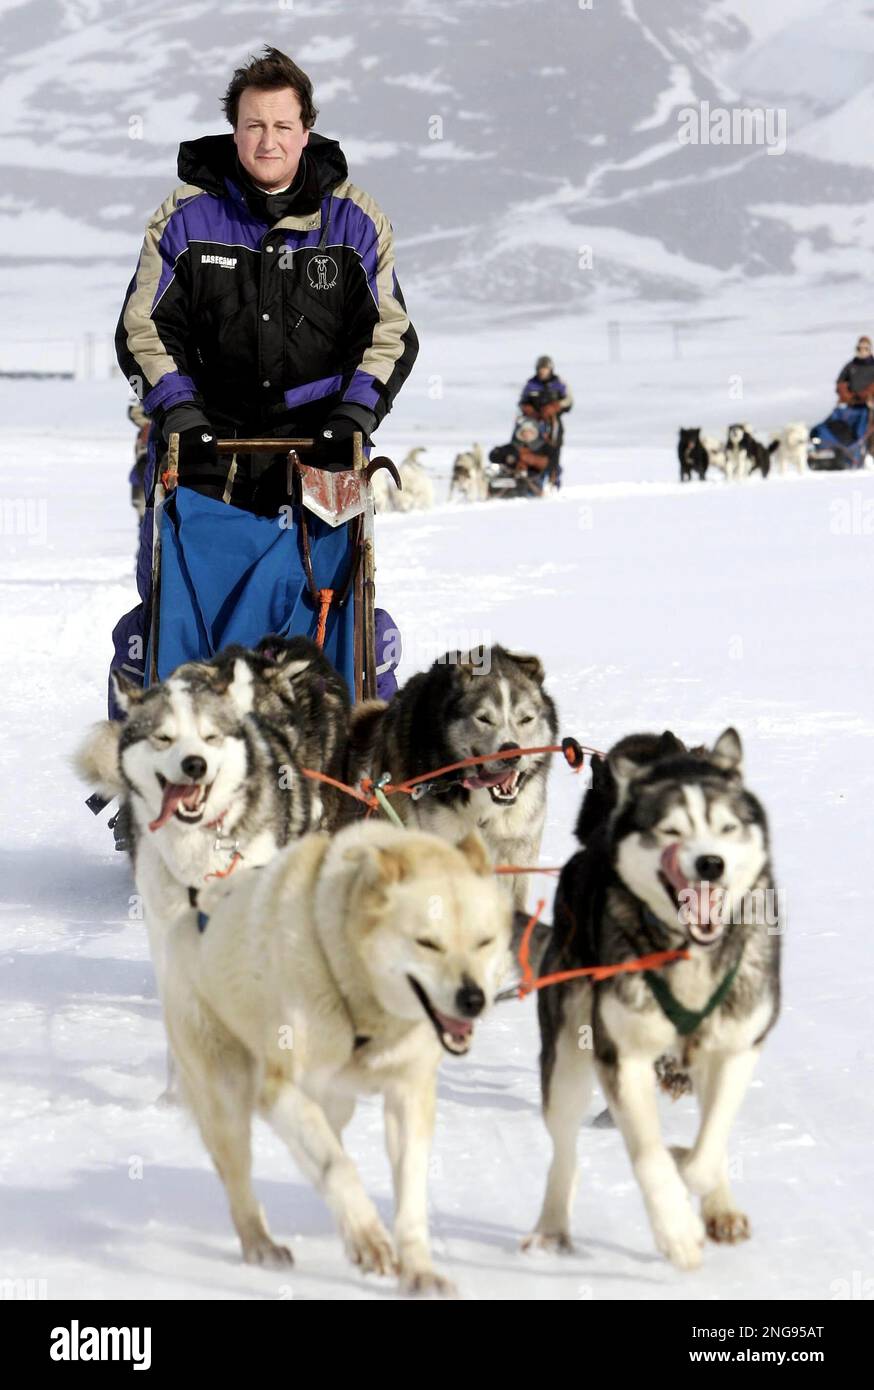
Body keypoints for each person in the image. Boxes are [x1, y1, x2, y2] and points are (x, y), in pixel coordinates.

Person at [110, 46, 417, 713]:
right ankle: (165, 748)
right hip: (205, 446)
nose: (267, 140)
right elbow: (144, 328)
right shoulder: (185, 217)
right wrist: (180, 410)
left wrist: (353, 416)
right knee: (171, 619)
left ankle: (348, 747)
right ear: (234, 130)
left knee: (339, 616)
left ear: (306, 131)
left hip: (322, 447)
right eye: (253, 125)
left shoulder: (355, 221)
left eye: (282, 125)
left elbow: (388, 334)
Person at [518, 356, 573, 486]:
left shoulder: (559, 383)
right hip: (534, 424)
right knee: (531, 448)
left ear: (550, 369)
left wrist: (555, 406)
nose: (542, 371)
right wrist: (529, 409)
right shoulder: (531, 384)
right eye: (540, 369)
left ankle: (553, 478)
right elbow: (522, 402)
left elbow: (569, 401)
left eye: (545, 369)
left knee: (554, 448)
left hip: (553, 423)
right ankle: (531, 478)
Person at [835, 336, 874, 405]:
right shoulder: (850, 365)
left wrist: (866, 394)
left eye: (866, 348)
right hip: (851, 401)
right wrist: (846, 395)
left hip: (869, 402)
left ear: (870, 350)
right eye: (859, 348)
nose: (862, 351)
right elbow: (840, 382)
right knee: (839, 411)